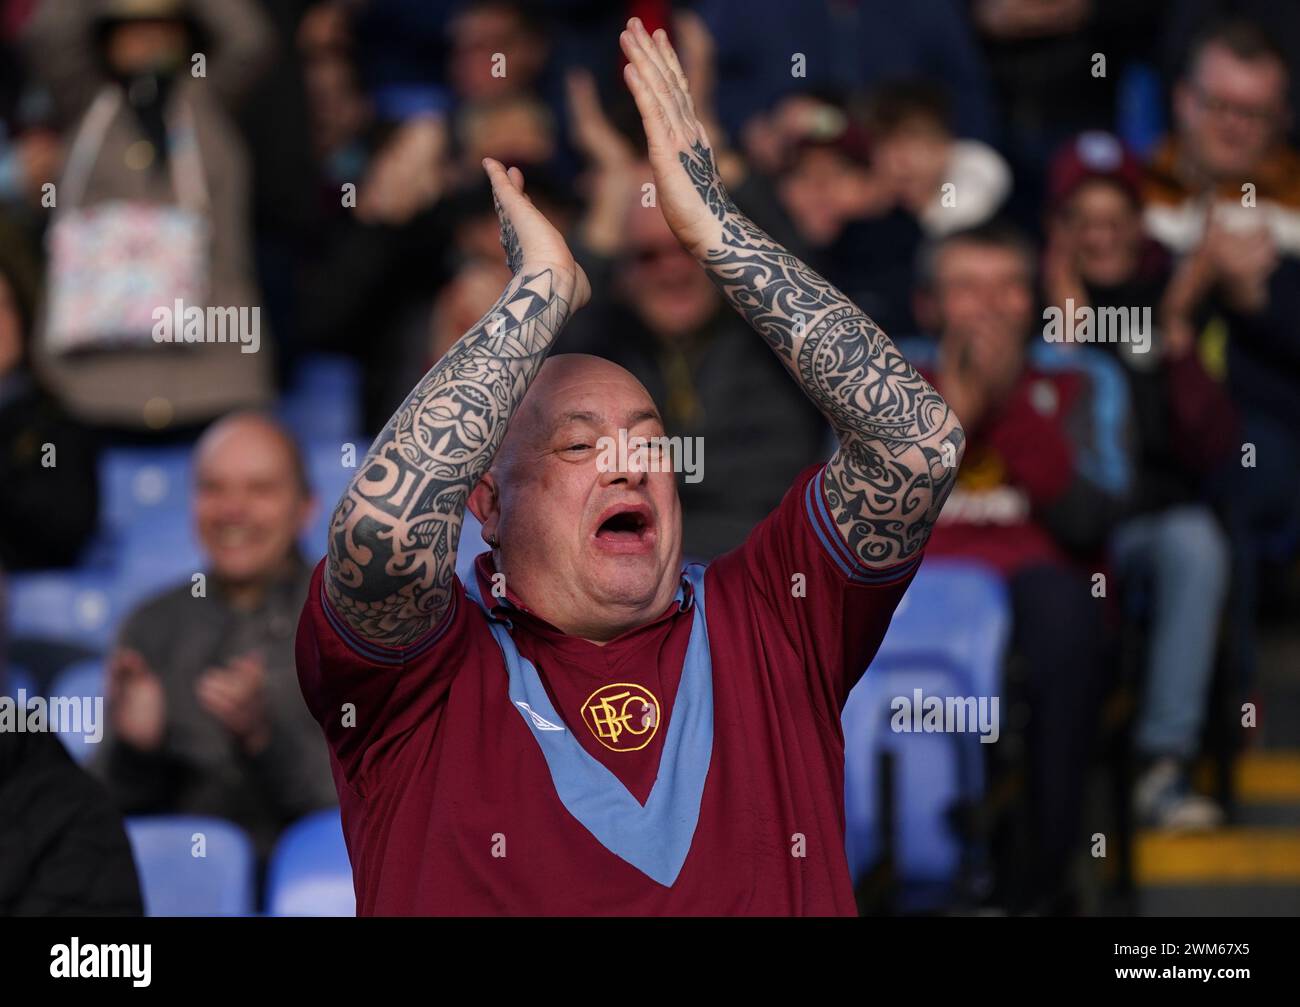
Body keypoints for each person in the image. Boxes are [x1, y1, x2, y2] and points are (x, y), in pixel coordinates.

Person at [297, 19, 964, 916]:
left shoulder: (772, 619)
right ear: (485, 500)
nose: (627, 464)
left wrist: (722, 233)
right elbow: (380, 534)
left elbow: (917, 444)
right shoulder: (423, 677)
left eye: (648, 442)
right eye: (579, 445)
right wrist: (540, 295)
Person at [915, 221, 1127, 913]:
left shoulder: (1077, 379)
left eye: (1009, 285)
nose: (992, 304)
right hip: (917, 590)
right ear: (930, 305)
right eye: (968, 287)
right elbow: (859, 523)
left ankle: (1041, 879)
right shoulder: (884, 377)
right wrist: (961, 412)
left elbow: (1089, 520)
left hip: (1036, 585)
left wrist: (1009, 408)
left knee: (1066, 615)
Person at [1044, 132, 1236, 829]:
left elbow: (1210, 444)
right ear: (1058, 231)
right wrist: (1060, 341)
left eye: (1114, 220)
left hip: (1147, 517)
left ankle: (1163, 761)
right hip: (1050, 520)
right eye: (1082, 222)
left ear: (1137, 223)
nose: (1100, 237)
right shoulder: (1018, 295)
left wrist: (1177, 335)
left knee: (1197, 544)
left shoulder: (1171, 297)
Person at [94, 412, 336, 857]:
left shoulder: (346, 625)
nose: (232, 510)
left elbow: (362, 805)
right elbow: (99, 819)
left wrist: (262, 739)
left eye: (259, 489)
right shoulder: (152, 623)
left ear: (307, 507)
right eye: (214, 488)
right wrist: (136, 751)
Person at [1143, 19, 1300, 693]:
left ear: (1281, 118)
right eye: (1219, 106)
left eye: (1254, 113)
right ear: (1183, 101)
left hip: (1265, 440)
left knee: (1231, 477)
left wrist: (1255, 301)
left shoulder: (1292, 212)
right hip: (1145, 431)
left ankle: (1226, 703)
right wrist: (1195, 275)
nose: (1235, 127)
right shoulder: (1129, 198)